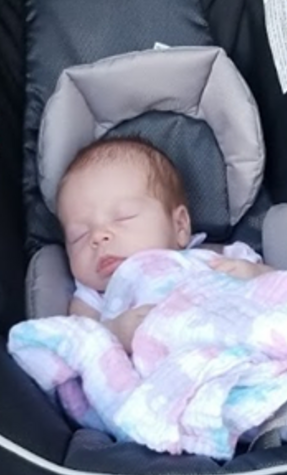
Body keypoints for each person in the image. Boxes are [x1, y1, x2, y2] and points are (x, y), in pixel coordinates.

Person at [54, 137, 267, 349]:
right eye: (79, 236)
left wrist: (254, 274)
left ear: (179, 226)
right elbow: (79, 343)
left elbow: (280, 285)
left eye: (123, 217)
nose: (98, 237)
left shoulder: (214, 259)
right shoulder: (93, 298)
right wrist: (115, 332)